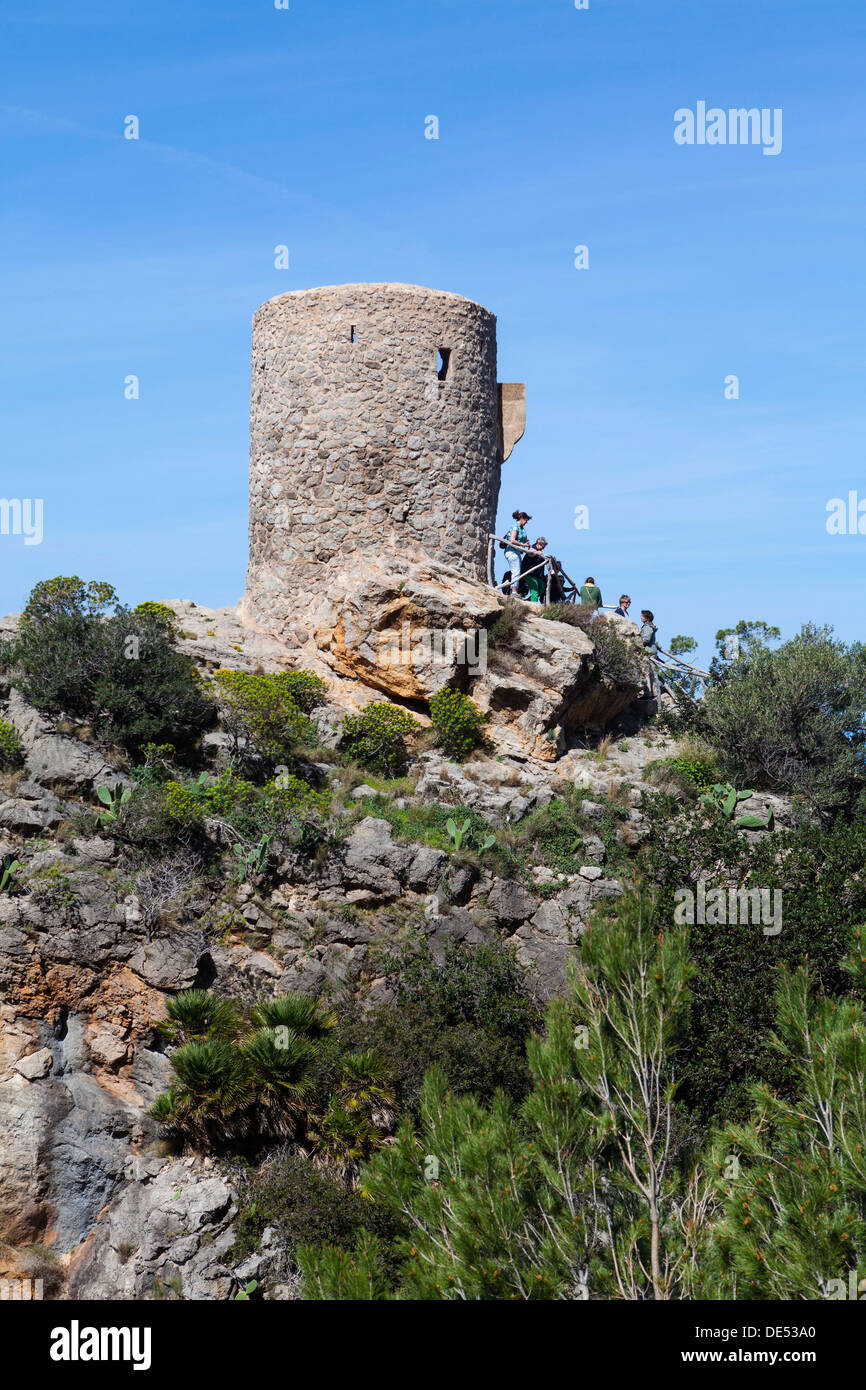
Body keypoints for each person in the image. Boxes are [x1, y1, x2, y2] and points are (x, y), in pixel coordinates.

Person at [503, 510, 531, 597]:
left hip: (517, 552)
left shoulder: (522, 529)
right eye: (526, 520)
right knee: (516, 571)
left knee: (517, 571)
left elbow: (526, 539)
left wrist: (527, 543)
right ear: (522, 518)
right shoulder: (515, 527)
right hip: (511, 551)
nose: (526, 522)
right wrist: (523, 544)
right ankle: (514, 592)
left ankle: (514, 590)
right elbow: (512, 540)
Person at [522, 537, 549, 602]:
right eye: (542, 546)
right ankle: (534, 605)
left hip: (537, 575)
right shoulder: (533, 548)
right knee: (535, 589)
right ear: (538, 543)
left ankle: (528, 600)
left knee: (542, 588)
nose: (543, 548)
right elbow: (530, 553)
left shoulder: (540, 551)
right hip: (529, 573)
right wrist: (537, 552)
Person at [640, 609, 659, 698]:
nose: (641, 617)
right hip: (652, 651)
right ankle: (654, 693)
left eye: (642, 616)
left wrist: (638, 642)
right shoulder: (650, 626)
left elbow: (646, 639)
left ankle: (648, 694)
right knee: (652, 673)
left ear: (646, 618)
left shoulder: (647, 627)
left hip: (648, 651)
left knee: (646, 672)